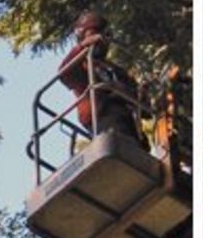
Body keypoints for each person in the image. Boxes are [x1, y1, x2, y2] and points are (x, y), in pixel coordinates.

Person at [58, 12, 147, 148]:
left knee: (136, 145)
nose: (98, 40)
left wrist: (142, 94)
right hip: (102, 116)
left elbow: (143, 107)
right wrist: (82, 48)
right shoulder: (81, 65)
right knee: (117, 136)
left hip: (129, 122)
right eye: (92, 34)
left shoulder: (116, 70)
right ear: (82, 38)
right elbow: (65, 74)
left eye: (101, 35)